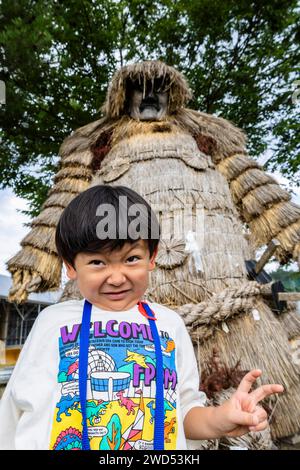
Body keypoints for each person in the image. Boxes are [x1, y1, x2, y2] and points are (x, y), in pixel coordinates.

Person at [0, 185, 284, 450]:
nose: (116, 277)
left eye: (131, 258)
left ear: (152, 257)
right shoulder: (53, 322)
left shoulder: (168, 324)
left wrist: (221, 418)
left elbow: (182, 411)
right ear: (71, 266)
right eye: (97, 262)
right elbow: (15, 408)